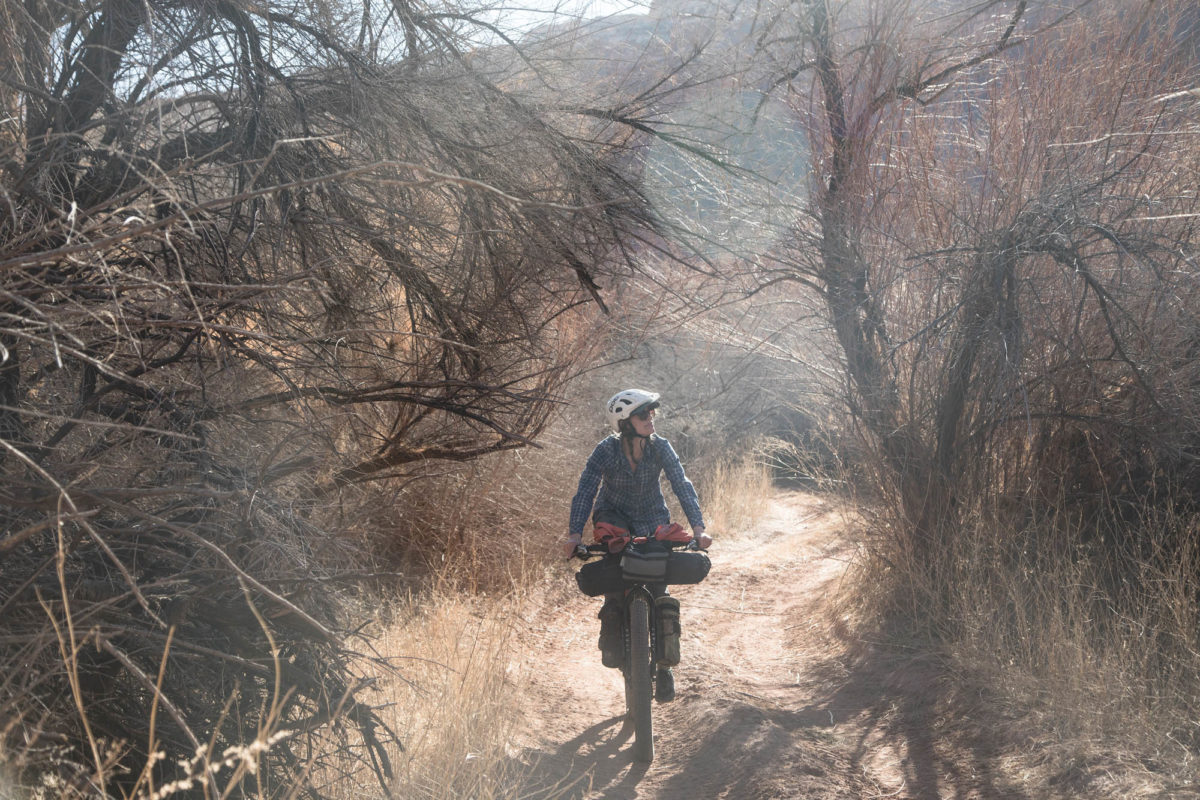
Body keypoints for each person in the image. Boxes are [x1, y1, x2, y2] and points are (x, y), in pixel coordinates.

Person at [563, 388, 712, 703]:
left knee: (659, 587)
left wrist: (699, 528)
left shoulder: (661, 447)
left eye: (652, 413)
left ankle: (665, 665)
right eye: (643, 414)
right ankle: (618, 640)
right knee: (616, 584)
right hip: (612, 517)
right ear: (624, 422)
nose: (651, 418)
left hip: (652, 517)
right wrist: (574, 535)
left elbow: (681, 484)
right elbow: (586, 490)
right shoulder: (605, 450)